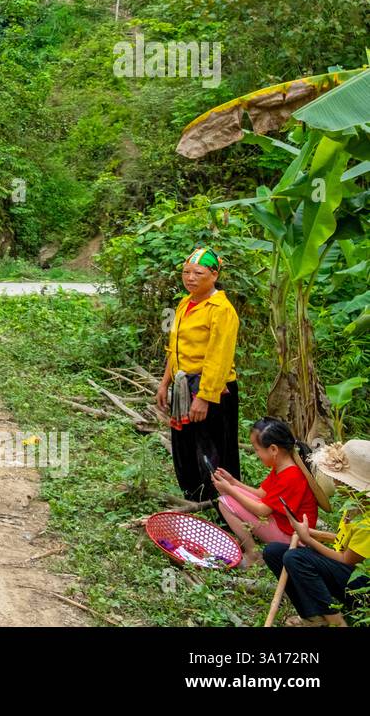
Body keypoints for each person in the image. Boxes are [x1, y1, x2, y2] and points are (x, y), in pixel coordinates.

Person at [156, 247, 241, 501]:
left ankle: (223, 507)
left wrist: (204, 396)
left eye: (198, 273)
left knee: (214, 450)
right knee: (184, 448)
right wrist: (164, 383)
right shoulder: (184, 303)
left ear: (214, 275)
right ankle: (194, 499)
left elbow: (219, 357)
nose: (190, 278)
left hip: (212, 389)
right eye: (186, 272)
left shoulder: (221, 309)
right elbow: (175, 348)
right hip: (183, 386)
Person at [262, 439, 370, 626]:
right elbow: (344, 541)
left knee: (296, 558)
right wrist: (311, 533)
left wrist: (308, 540)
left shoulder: (367, 521)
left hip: (362, 587)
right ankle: (314, 617)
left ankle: (335, 620)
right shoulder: (353, 507)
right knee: (274, 552)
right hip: (346, 572)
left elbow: (346, 559)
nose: (336, 481)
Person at [213, 418, 318, 568]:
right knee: (231, 494)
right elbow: (261, 494)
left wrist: (229, 489)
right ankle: (249, 549)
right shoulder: (282, 467)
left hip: (296, 539)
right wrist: (233, 482)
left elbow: (262, 511)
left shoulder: (291, 475)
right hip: (285, 527)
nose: (256, 454)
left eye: (257, 450)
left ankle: (252, 555)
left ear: (273, 449)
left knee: (225, 501)